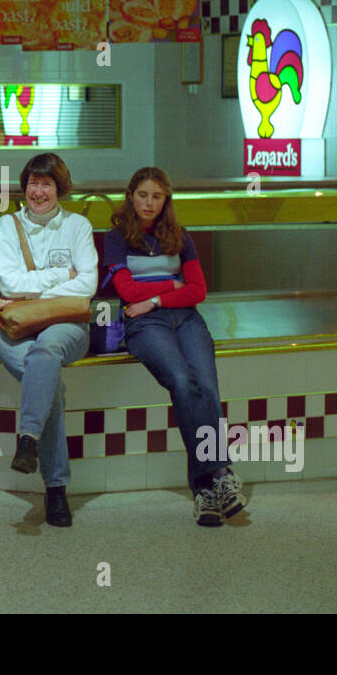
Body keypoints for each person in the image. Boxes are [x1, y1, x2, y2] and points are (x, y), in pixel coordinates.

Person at [103, 167, 246, 527]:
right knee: (182, 382)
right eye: (142, 195)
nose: (149, 203)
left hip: (184, 318)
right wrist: (172, 283)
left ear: (166, 200)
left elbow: (198, 291)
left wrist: (155, 298)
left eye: (157, 196)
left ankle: (205, 487)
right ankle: (217, 476)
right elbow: (127, 293)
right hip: (144, 326)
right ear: (131, 195)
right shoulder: (117, 237)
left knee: (207, 387)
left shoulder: (180, 236)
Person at [0, 153, 97, 527]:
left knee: (47, 351)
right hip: (12, 323)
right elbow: (8, 284)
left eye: (46, 184)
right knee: (48, 384)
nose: (38, 192)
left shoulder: (78, 226)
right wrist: (58, 278)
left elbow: (87, 284)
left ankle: (28, 438)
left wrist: (32, 294)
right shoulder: (7, 225)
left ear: (60, 188)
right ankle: (56, 489)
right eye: (33, 183)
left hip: (66, 324)